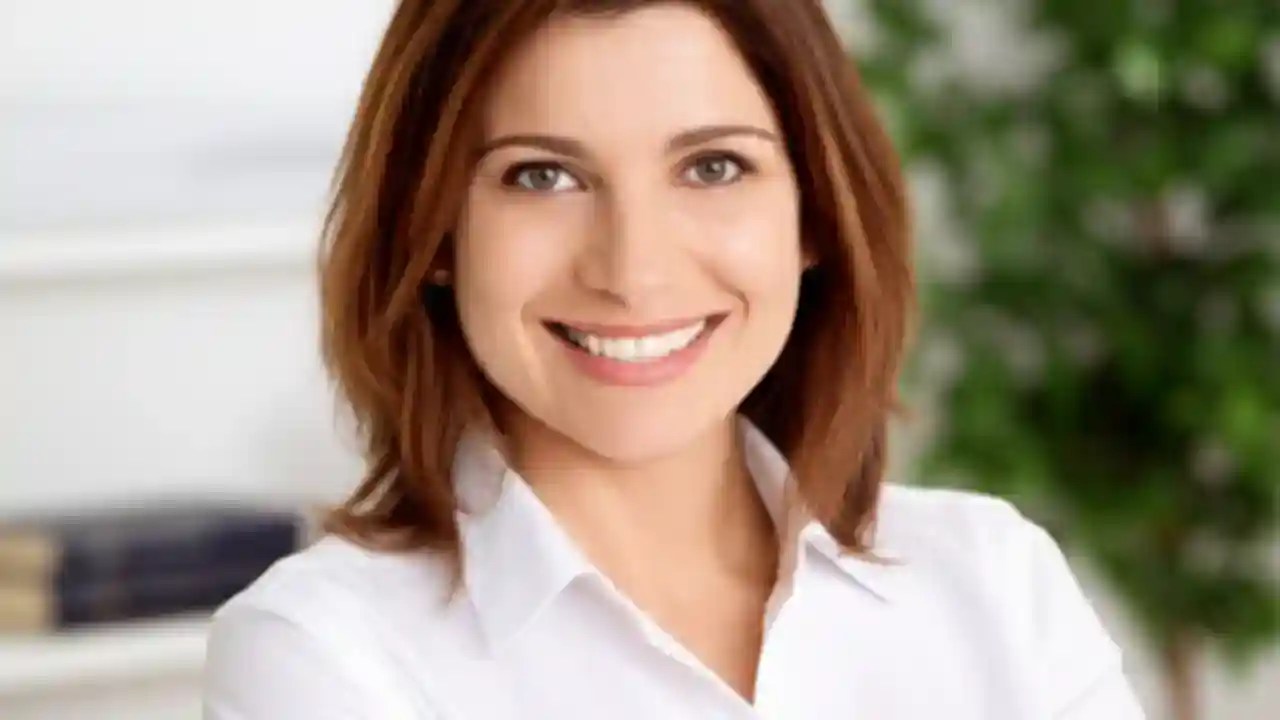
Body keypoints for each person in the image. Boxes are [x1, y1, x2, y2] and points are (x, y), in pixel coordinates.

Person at [203, 1, 1146, 718]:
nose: (634, 271)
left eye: (712, 167)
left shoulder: (992, 582)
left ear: (813, 211)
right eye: (543, 176)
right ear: (436, 231)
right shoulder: (326, 654)